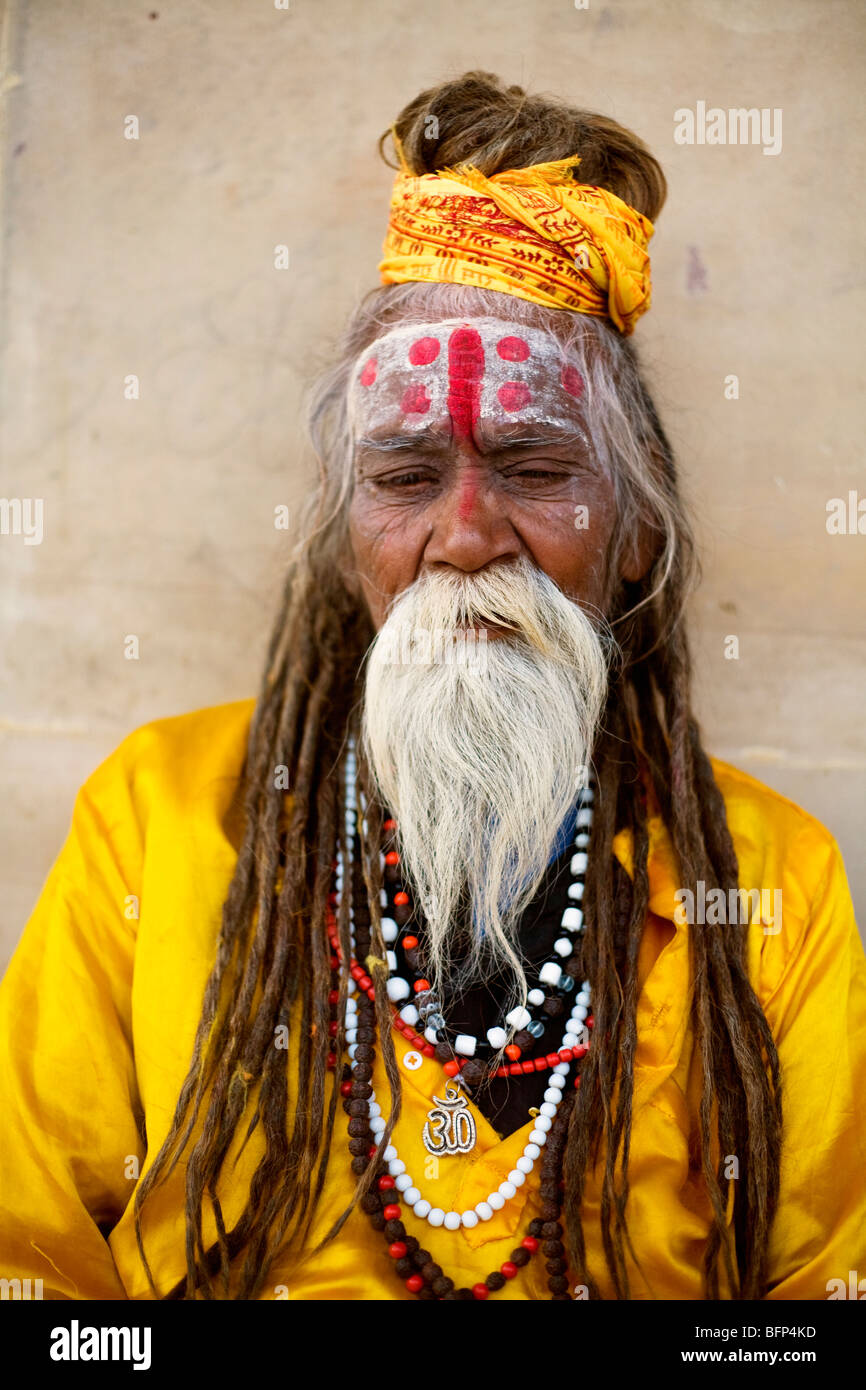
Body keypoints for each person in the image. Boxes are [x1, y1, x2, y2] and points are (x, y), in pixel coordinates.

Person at [1, 71, 864, 1303]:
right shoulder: (155, 818)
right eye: (405, 476)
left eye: (529, 462)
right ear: (347, 534)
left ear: (631, 530)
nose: (466, 535)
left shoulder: (771, 886)